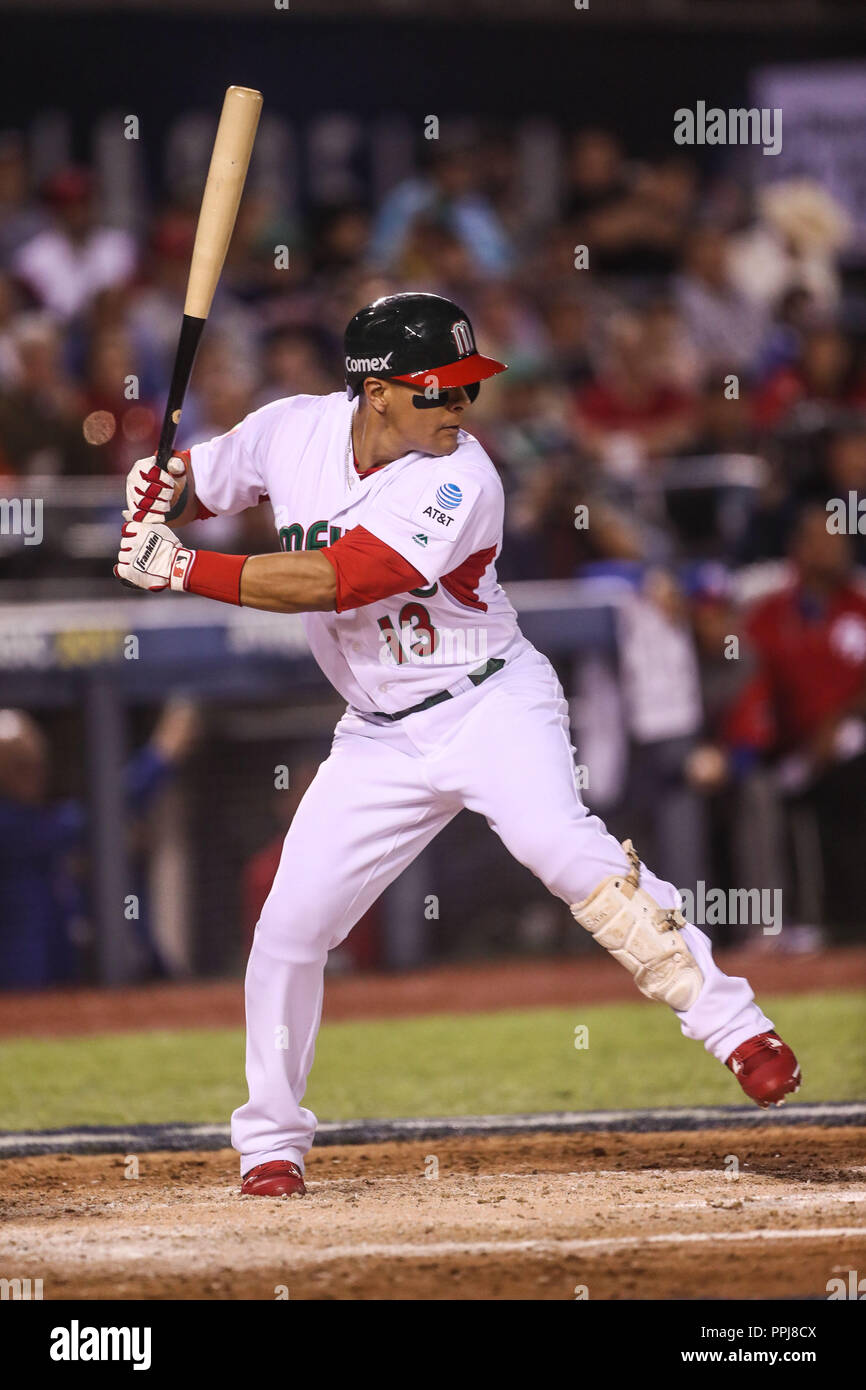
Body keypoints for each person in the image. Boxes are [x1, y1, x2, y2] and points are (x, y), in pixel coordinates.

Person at [116, 291, 801, 1199]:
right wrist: (163, 488)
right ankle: (271, 1144)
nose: (462, 410)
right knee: (287, 930)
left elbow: (337, 579)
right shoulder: (292, 431)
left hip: (488, 704)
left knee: (563, 848)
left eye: (467, 390)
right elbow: (204, 479)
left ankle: (735, 1026)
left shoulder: (462, 477)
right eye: (441, 392)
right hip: (375, 738)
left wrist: (181, 565)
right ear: (378, 392)